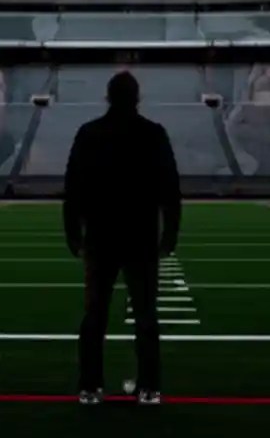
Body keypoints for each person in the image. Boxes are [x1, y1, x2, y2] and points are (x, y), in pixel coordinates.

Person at [63, 71, 181, 406]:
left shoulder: (89, 133)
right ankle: (149, 387)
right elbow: (169, 187)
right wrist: (170, 231)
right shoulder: (153, 134)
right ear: (137, 97)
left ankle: (89, 386)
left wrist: (73, 231)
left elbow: (74, 188)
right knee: (145, 313)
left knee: (95, 313)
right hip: (140, 235)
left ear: (108, 96)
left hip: (101, 235)